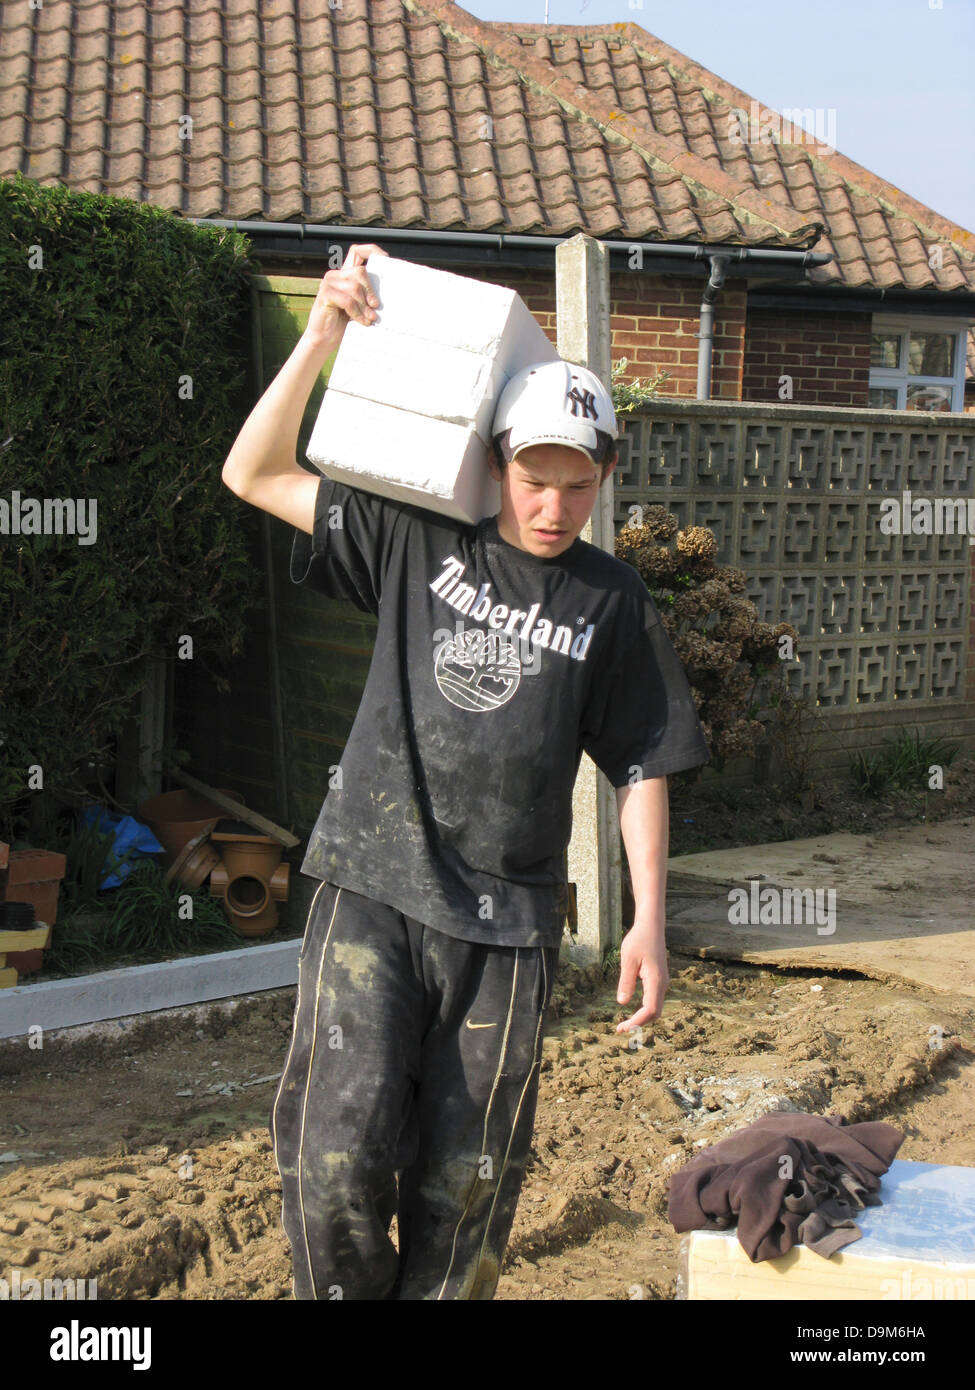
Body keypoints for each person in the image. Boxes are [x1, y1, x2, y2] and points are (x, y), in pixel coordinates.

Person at [221, 243, 710, 1300]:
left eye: (578, 486)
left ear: (604, 478)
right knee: (333, 1156)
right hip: (373, 885)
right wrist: (321, 335)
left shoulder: (612, 601)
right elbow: (252, 473)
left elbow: (642, 761)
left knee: (467, 1184)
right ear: (495, 464)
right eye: (535, 482)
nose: (554, 508)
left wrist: (647, 922)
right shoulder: (415, 538)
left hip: (507, 925)